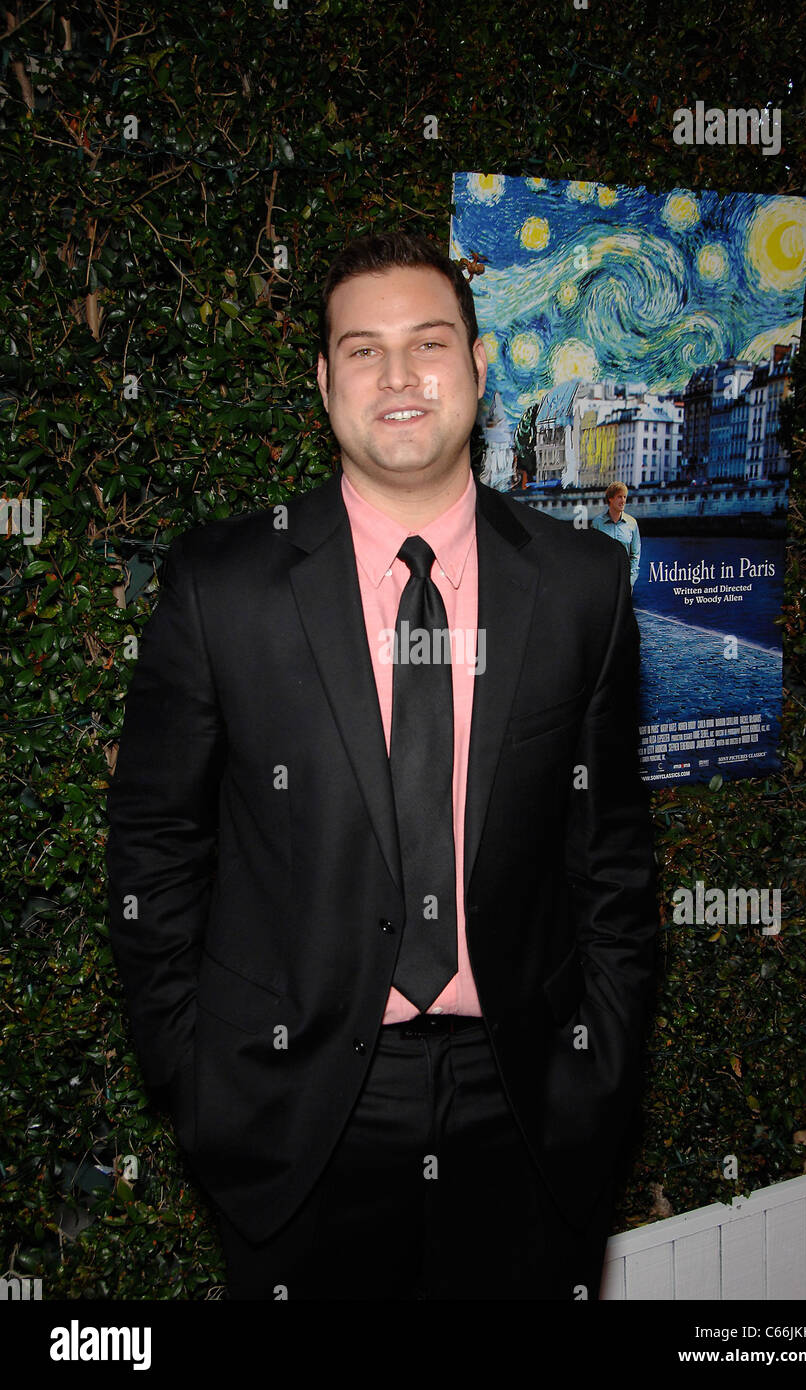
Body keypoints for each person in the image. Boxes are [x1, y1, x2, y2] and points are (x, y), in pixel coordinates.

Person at [106, 231, 658, 1301]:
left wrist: (603, 1066)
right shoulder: (224, 584)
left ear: (478, 366)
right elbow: (154, 844)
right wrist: (195, 1074)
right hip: (294, 1110)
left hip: (530, 1100)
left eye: (428, 342)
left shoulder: (583, 585)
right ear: (322, 382)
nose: (399, 376)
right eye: (363, 350)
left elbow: (614, 860)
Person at [591, 481, 641, 588]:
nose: (623, 501)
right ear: (610, 498)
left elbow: (635, 556)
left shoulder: (632, 523)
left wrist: (630, 582)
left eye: (624, 497)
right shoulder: (597, 523)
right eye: (619, 497)